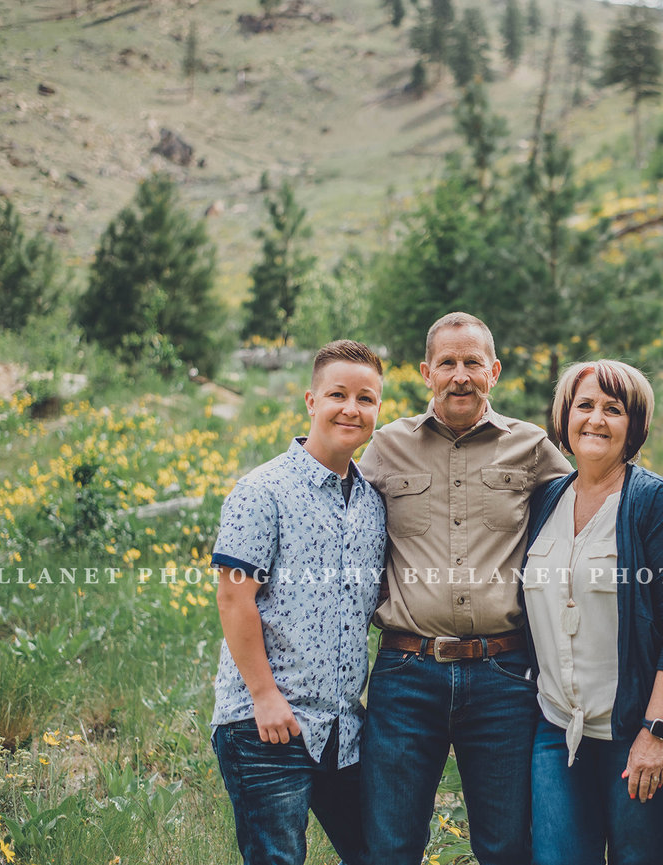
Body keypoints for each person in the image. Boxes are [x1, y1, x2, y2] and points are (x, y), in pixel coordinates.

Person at [357, 312, 570, 865]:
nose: (460, 376)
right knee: (389, 846)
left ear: (493, 371)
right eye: (447, 363)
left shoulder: (533, 448)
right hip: (406, 675)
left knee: (504, 846)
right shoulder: (385, 449)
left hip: (504, 677)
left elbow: (591, 502)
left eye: (472, 362)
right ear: (426, 372)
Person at [522, 360, 663, 865]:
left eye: (613, 409)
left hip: (637, 733)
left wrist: (657, 732)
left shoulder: (656, 503)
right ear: (564, 418)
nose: (596, 420)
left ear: (635, 426)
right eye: (584, 406)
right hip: (557, 729)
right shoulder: (546, 499)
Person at [210, 339, 387, 865]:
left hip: (341, 727)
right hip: (266, 724)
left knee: (381, 852)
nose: (351, 408)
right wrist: (265, 695)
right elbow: (233, 597)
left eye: (366, 398)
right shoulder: (262, 490)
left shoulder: (373, 503)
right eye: (338, 394)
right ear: (311, 401)